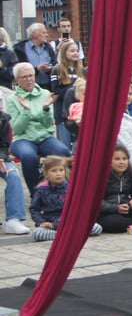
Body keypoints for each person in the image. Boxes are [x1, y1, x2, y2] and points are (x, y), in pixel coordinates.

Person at [8, 62, 71, 192]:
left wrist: (46, 108)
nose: (29, 79)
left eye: (31, 75)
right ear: (17, 80)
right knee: (28, 156)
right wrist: (26, 111)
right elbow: (17, 128)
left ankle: (64, 190)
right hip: (23, 138)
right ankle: (35, 193)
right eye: (24, 77)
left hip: (44, 137)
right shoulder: (12, 99)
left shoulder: (45, 94)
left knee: (63, 152)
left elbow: (48, 124)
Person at [29, 156, 103, 242]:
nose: (58, 174)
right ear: (46, 173)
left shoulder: (72, 188)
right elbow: (34, 209)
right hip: (50, 222)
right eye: (53, 171)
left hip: (70, 221)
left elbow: (75, 209)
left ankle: (65, 234)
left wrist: (56, 225)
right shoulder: (41, 190)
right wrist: (41, 222)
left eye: (61, 170)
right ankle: (65, 235)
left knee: (96, 228)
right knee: (38, 234)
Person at [95, 145, 132, 233]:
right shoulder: (101, 177)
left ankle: (129, 223)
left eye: (124, 159)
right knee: (115, 224)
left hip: (125, 208)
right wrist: (116, 208)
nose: (122, 162)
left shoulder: (131, 174)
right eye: (117, 159)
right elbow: (97, 202)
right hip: (107, 212)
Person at [0, 100, 29, 235]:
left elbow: (4, 146)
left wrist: (1, 158)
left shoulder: (3, 118)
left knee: (13, 175)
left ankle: (14, 219)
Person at [50, 40, 86, 148]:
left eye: (77, 51)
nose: (75, 53)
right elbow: (56, 91)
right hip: (62, 113)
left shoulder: (83, 71)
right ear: (64, 53)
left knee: (78, 146)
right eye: (72, 51)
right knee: (64, 146)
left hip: (79, 115)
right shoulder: (56, 70)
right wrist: (74, 87)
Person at [14, 23, 57, 90]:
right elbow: (20, 69)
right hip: (29, 88)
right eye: (44, 33)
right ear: (34, 34)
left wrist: (49, 69)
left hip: (48, 87)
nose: (47, 35)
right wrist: (37, 69)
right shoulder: (20, 49)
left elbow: (54, 63)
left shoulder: (48, 47)